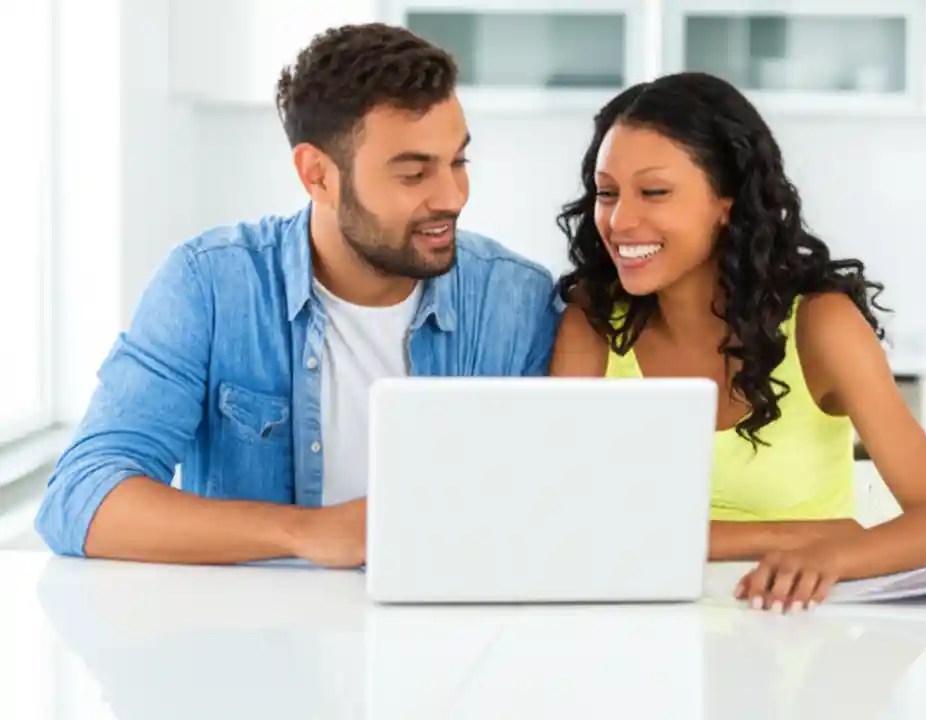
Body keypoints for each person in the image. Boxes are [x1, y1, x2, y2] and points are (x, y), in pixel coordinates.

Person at [35, 24, 560, 566]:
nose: (452, 196)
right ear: (318, 175)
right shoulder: (211, 286)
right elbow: (81, 497)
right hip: (255, 620)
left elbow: (555, 507)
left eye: (458, 162)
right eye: (413, 173)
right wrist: (308, 533)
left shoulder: (515, 301)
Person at [550, 72, 926, 612]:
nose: (619, 219)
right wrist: (792, 536)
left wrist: (835, 556)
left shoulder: (821, 327)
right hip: (644, 630)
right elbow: (564, 522)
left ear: (726, 201)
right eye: (607, 193)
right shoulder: (593, 327)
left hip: (796, 630)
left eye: (654, 192)